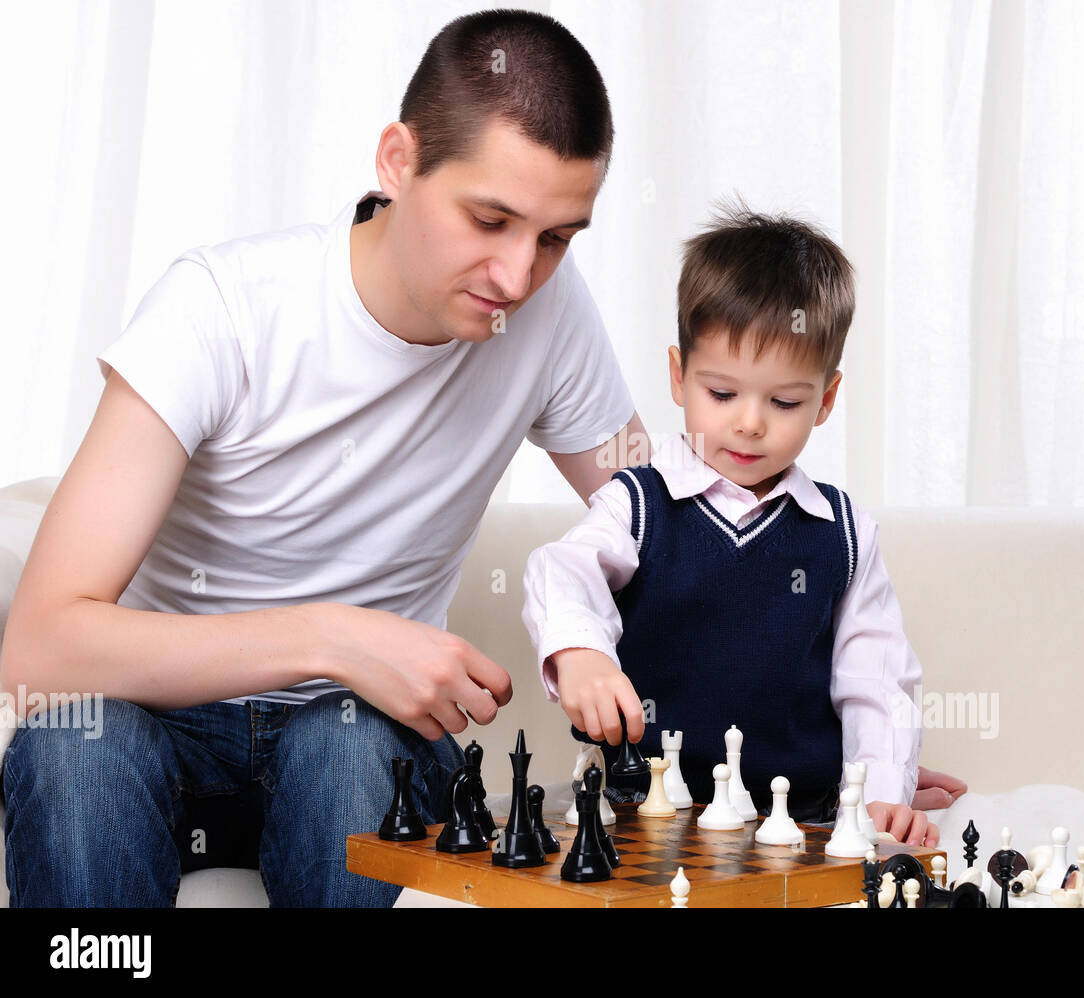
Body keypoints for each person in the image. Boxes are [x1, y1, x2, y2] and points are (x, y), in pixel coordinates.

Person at [0, 10, 648, 907]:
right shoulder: (220, 309)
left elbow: (671, 529)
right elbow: (38, 649)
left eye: (556, 237)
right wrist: (336, 636)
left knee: (340, 744)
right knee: (75, 746)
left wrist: (847, 752)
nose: (515, 276)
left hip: (358, 743)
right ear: (397, 161)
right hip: (158, 727)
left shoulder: (549, 312)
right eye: (489, 219)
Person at [521, 205, 965, 846]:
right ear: (678, 376)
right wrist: (581, 654)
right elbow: (562, 569)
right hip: (649, 810)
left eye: (784, 401)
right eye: (722, 394)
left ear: (827, 399)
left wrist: (881, 795)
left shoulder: (843, 533)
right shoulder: (637, 504)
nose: (750, 423)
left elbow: (877, 679)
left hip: (802, 819)